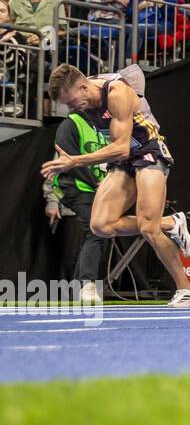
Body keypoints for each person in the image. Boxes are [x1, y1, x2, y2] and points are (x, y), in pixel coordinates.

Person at [40, 64, 190, 307]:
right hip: (123, 161)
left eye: (72, 103)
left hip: (148, 152)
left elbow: (121, 146)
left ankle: (186, 289)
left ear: (84, 87)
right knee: (100, 224)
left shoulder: (115, 93)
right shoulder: (84, 93)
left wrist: (75, 161)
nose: (71, 110)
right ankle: (172, 222)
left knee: (148, 228)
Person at [42, 111, 109, 303]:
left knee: (97, 237)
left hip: (97, 195)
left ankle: (80, 288)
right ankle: (84, 285)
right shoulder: (71, 126)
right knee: (92, 236)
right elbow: (57, 166)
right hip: (73, 195)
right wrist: (52, 200)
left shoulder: (105, 128)